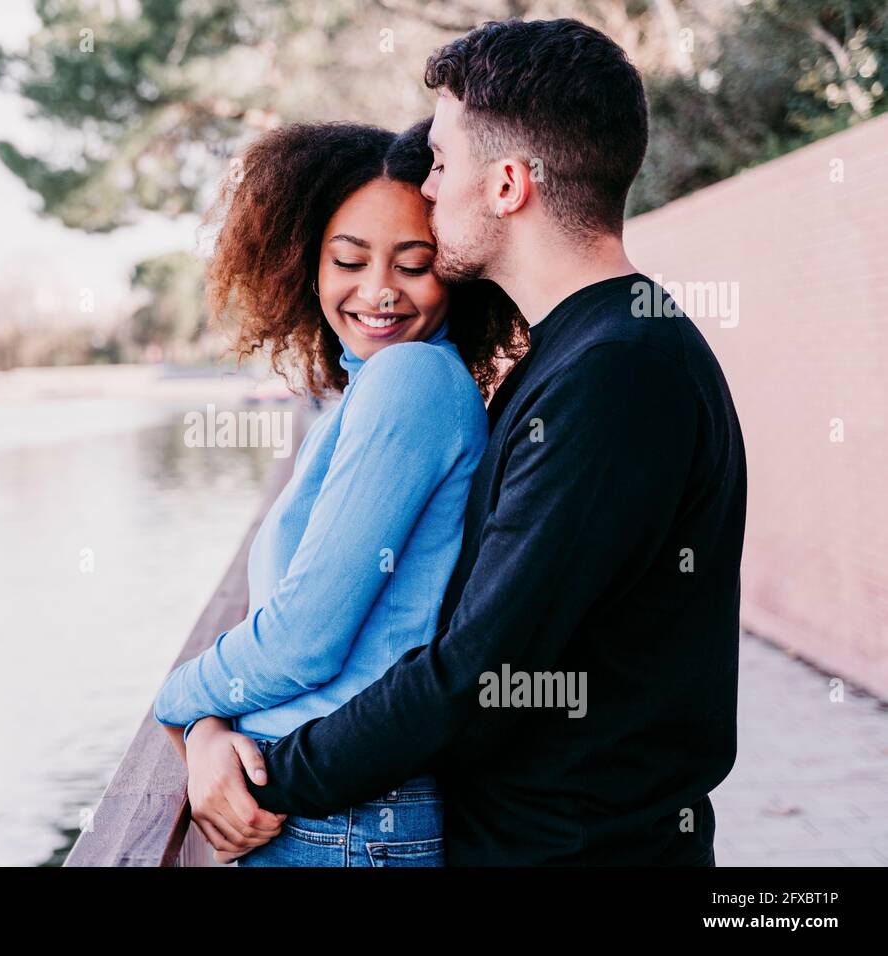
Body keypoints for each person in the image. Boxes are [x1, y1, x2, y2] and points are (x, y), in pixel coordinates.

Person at [181, 17, 748, 866]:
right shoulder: (575, 353)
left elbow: (477, 671)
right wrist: (213, 727)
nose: (429, 185)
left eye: (443, 163)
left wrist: (265, 779)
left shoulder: (620, 374)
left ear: (509, 183)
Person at [152, 119, 527, 866]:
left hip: (343, 824)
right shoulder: (359, 396)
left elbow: (303, 640)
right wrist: (208, 730)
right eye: (348, 260)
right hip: (326, 810)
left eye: (414, 264)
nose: (378, 291)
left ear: (453, 269)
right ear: (306, 266)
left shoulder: (410, 377)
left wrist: (176, 699)